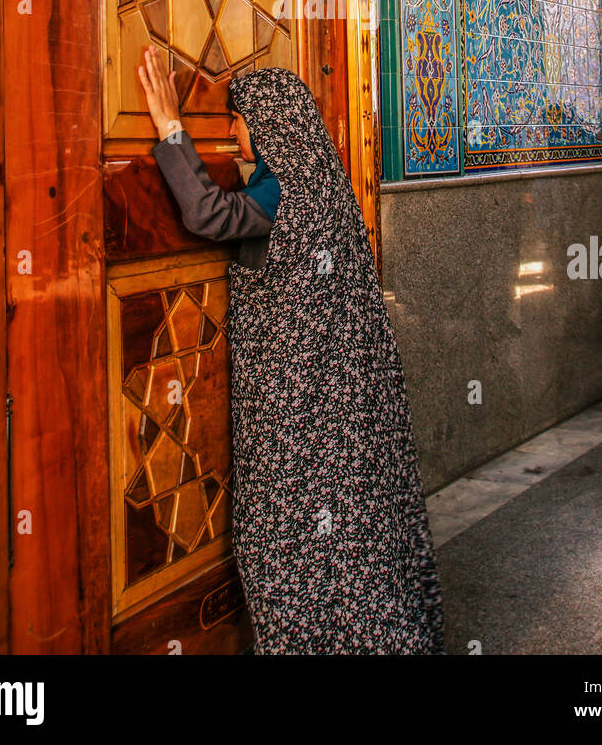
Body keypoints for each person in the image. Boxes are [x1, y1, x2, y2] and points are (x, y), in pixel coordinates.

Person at [138, 46, 444, 655]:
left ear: (271, 127)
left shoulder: (285, 193)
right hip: (338, 412)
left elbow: (207, 213)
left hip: (306, 420)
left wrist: (172, 128)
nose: (231, 132)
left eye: (238, 121)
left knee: (298, 539)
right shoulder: (315, 183)